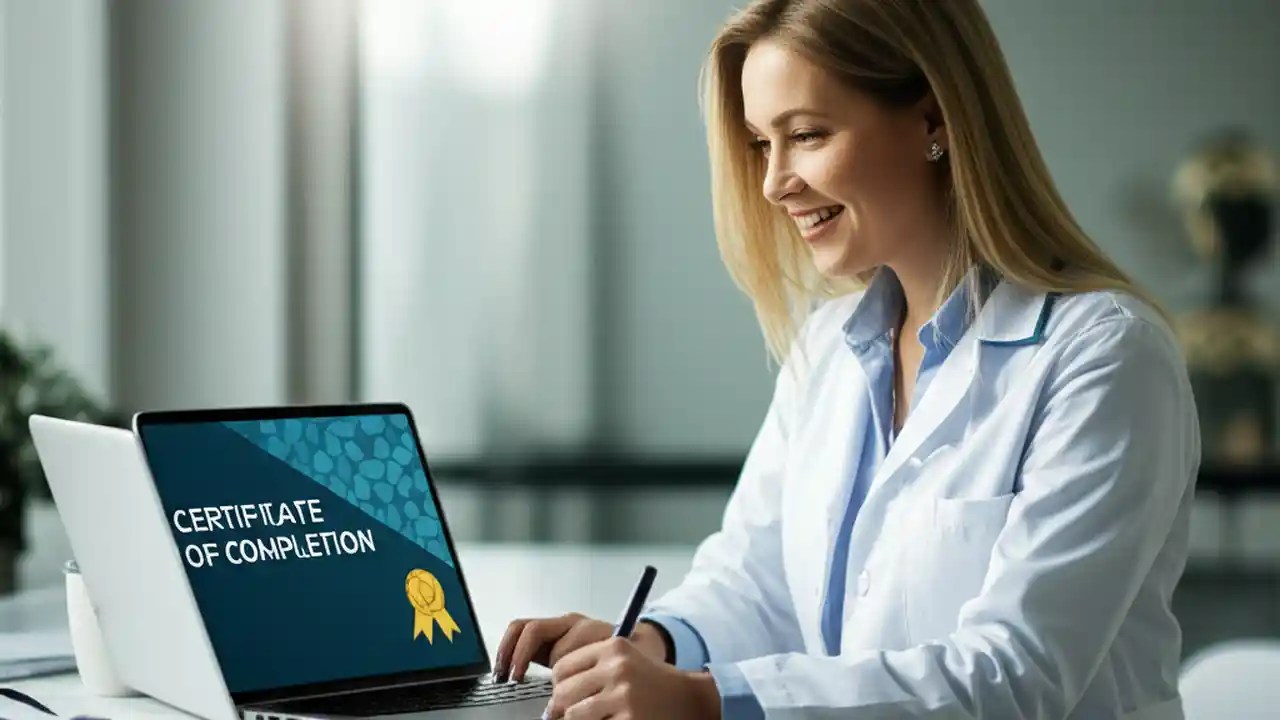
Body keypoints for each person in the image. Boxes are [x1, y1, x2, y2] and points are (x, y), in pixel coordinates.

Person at [495, 0, 1200, 717]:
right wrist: (652, 648)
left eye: (805, 135)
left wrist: (704, 702)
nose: (773, 182)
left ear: (934, 121)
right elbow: (758, 580)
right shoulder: (829, 346)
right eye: (761, 144)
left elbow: (1015, 673)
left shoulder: (1107, 355)